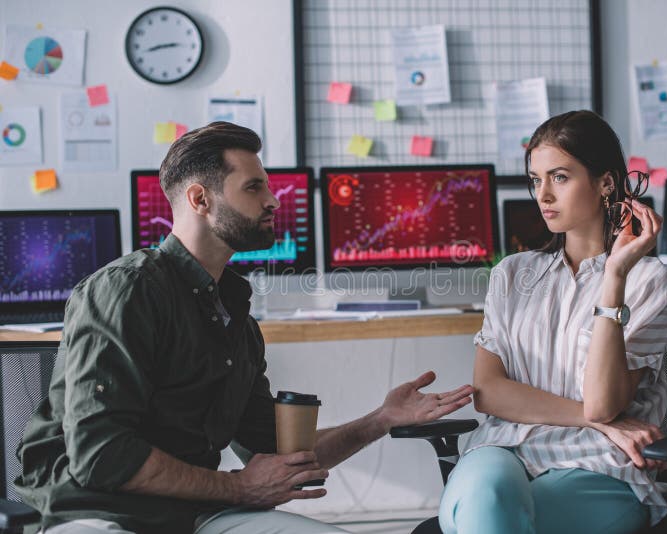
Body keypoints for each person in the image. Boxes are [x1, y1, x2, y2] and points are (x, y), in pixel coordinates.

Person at [15, 121, 474, 534]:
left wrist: (382, 419)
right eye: (254, 187)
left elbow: (275, 454)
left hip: (192, 512)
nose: (273, 200)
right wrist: (238, 490)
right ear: (200, 199)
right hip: (99, 513)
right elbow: (102, 457)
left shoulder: (235, 316)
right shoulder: (127, 291)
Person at [438, 110, 667, 534]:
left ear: (606, 183)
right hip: (503, 448)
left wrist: (615, 277)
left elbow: (604, 405)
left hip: (599, 465)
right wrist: (589, 418)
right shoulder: (512, 274)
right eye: (536, 179)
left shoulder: (650, 282)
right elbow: (489, 392)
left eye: (560, 177)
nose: (543, 195)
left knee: (499, 522)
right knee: (487, 498)